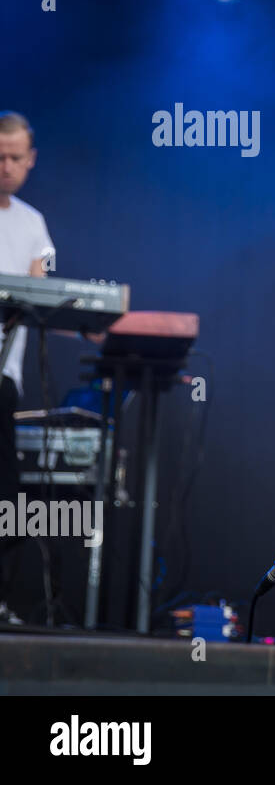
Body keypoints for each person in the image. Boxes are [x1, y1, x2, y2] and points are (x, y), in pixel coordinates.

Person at [0, 111, 56, 626]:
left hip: (4, 382)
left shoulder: (32, 223)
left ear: (31, 160)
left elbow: (42, 293)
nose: (7, 166)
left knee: (10, 499)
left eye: (16, 157)